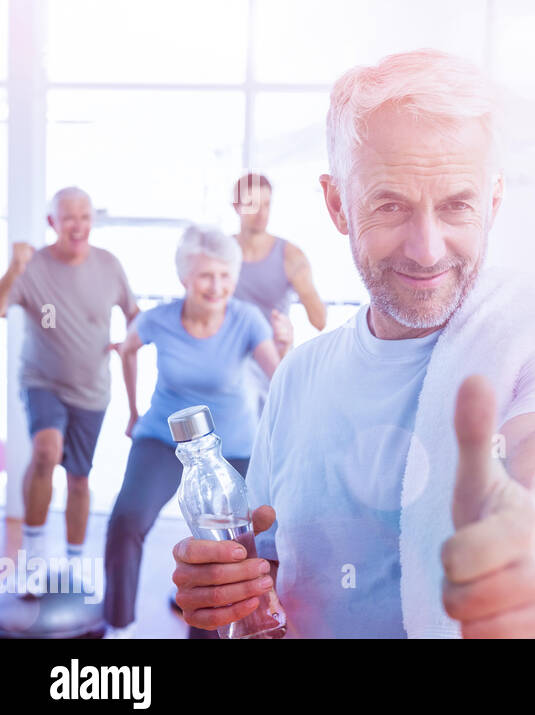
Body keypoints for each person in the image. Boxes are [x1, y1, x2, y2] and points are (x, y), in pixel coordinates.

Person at [170, 48, 535, 638]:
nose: (427, 249)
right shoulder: (298, 377)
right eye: (391, 205)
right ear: (337, 204)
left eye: (457, 204)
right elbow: (274, 569)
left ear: (492, 200)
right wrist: (227, 590)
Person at [104, 225, 284, 639]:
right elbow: (127, 349)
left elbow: (279, 376)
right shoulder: (159, 319)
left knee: (222, 549)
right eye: (206, 275)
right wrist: (132, 411)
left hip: (234, 445)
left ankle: (210, 633)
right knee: (126, 519)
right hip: (164, 440)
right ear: (185, 276)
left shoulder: (246, 320)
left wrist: (288, 349)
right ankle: (118, 626)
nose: (217, 286)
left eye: (225, 275)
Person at [0, 187, 138, 570]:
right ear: (52, 223)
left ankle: (75, 562)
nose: (78, 226)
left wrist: (129, 340)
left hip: (92, 389)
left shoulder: (109, 265)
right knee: (46, 452)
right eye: (68, 218)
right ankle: (33, 554)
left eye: (85, 216)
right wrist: (13, 266)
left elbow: (134, 314)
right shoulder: (33, 267)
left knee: (79, 478)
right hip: (42, 381)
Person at [231, 172, 326, 414]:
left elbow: (319, 320)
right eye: (253, 204)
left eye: (267, 204)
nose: (262, 213)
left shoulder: (291, 256)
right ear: (236, 206)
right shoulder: (221, 254)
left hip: (274, 358)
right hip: (230, 361)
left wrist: (304, 287)